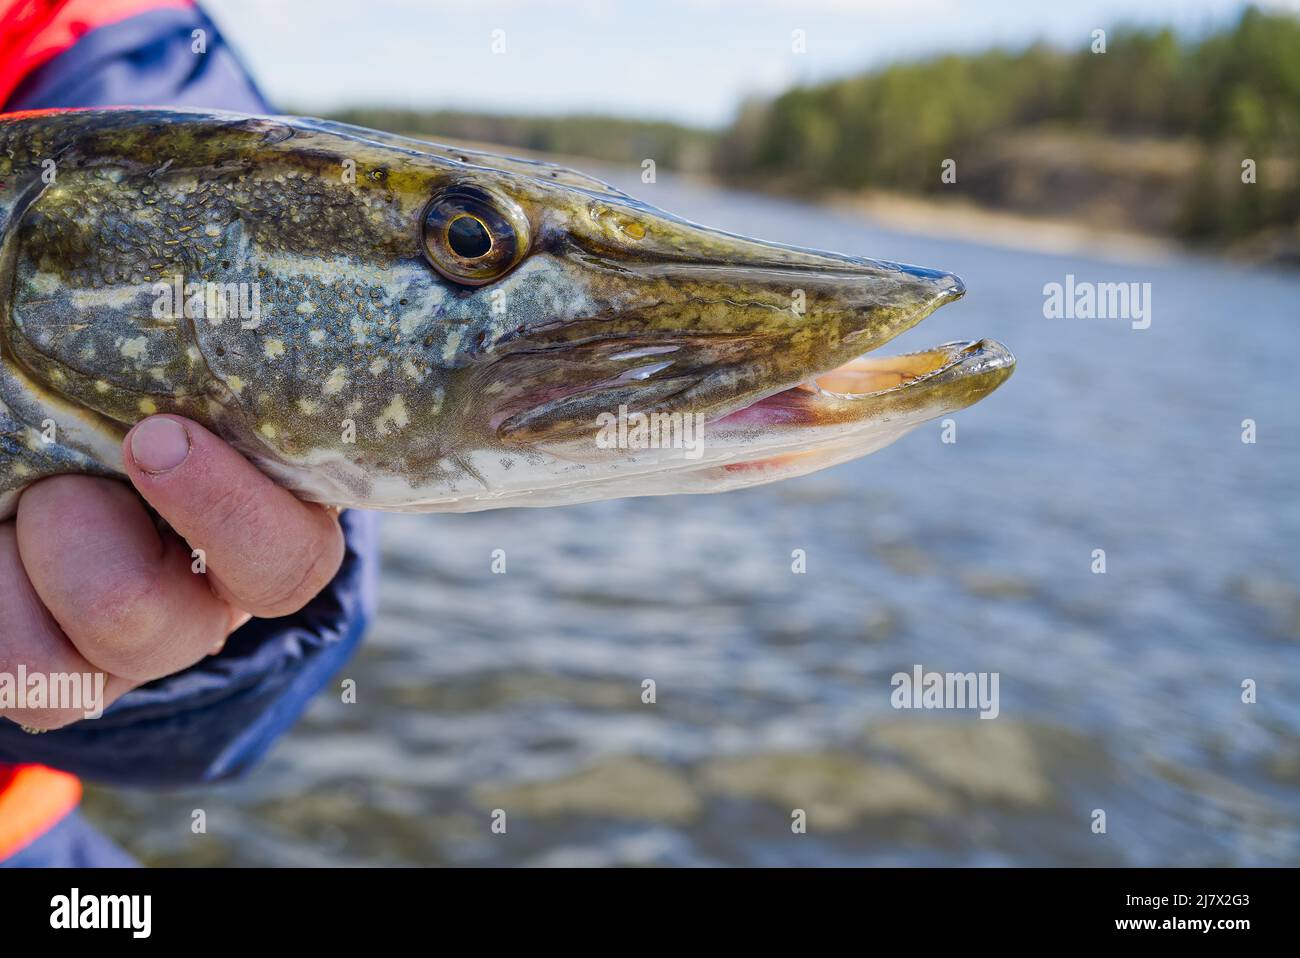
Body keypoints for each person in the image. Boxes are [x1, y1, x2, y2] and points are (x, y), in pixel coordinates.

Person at [0, 0, 379, 867]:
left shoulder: (106, 42)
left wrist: (173, 630)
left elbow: (286, 653)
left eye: (469, 244)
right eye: (471, 242)